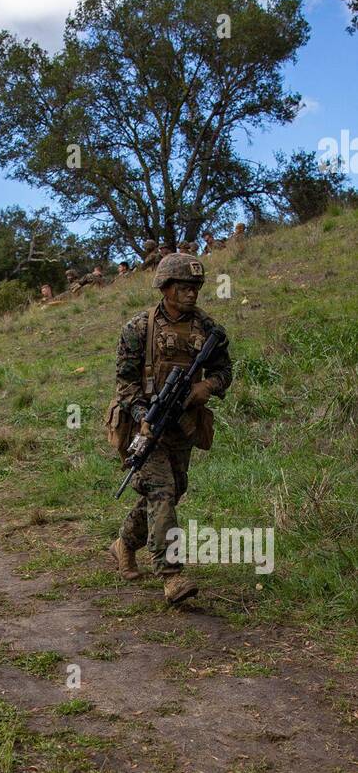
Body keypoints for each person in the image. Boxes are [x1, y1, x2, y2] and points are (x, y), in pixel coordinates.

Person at [110, 253, 232, 605]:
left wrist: (206, 387)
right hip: (146, 425)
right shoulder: (139, 328)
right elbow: (125, 382)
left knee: (173, 489)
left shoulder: (207, 329)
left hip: (184, 424)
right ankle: (171, 575)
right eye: (183, 287)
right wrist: (143, 414)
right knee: (161, 490)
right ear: (164, 287)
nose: (191, 293)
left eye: (195, 287)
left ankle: (124, 543)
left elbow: (224, 371)